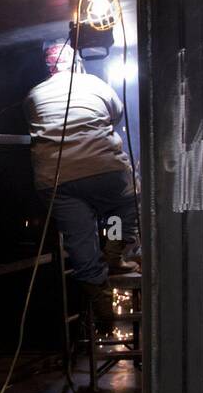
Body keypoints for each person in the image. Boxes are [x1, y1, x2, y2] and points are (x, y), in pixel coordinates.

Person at [25, 39, 139, 329]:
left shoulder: (34, 94)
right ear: (77, 63)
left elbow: (32, 122)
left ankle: (101, 302)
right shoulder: (97, 85)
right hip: (103, 169)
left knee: (79, 239)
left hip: (55, 177)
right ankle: (114, 253)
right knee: (131, 200)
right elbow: (116, 115)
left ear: (49, 68)